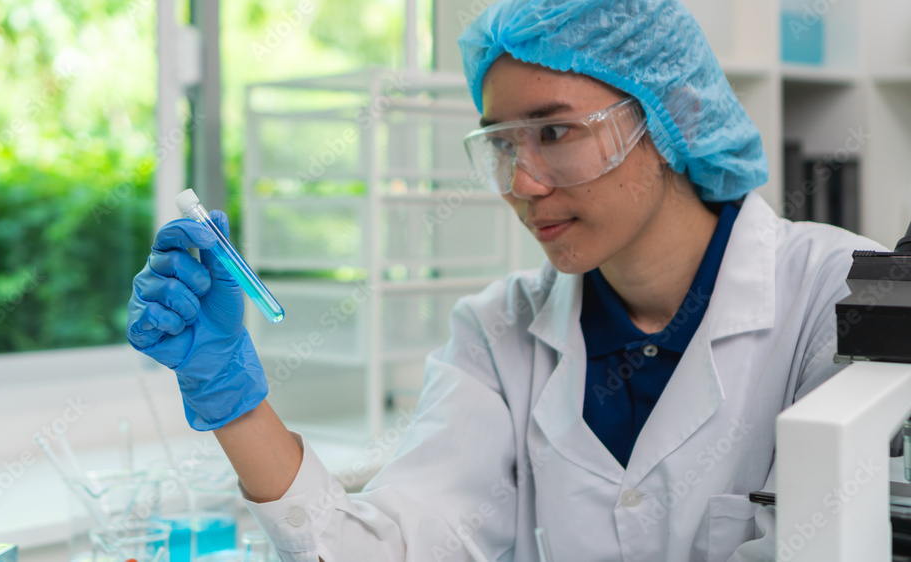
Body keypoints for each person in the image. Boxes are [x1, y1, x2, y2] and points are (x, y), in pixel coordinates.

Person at [126, 0, 888, 560]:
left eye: (555, 133)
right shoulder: (498, 333)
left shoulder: (839, 297)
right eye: (499, 144)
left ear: (670, 117)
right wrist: (235, 401)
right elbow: (391, 550)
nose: (520, 182)